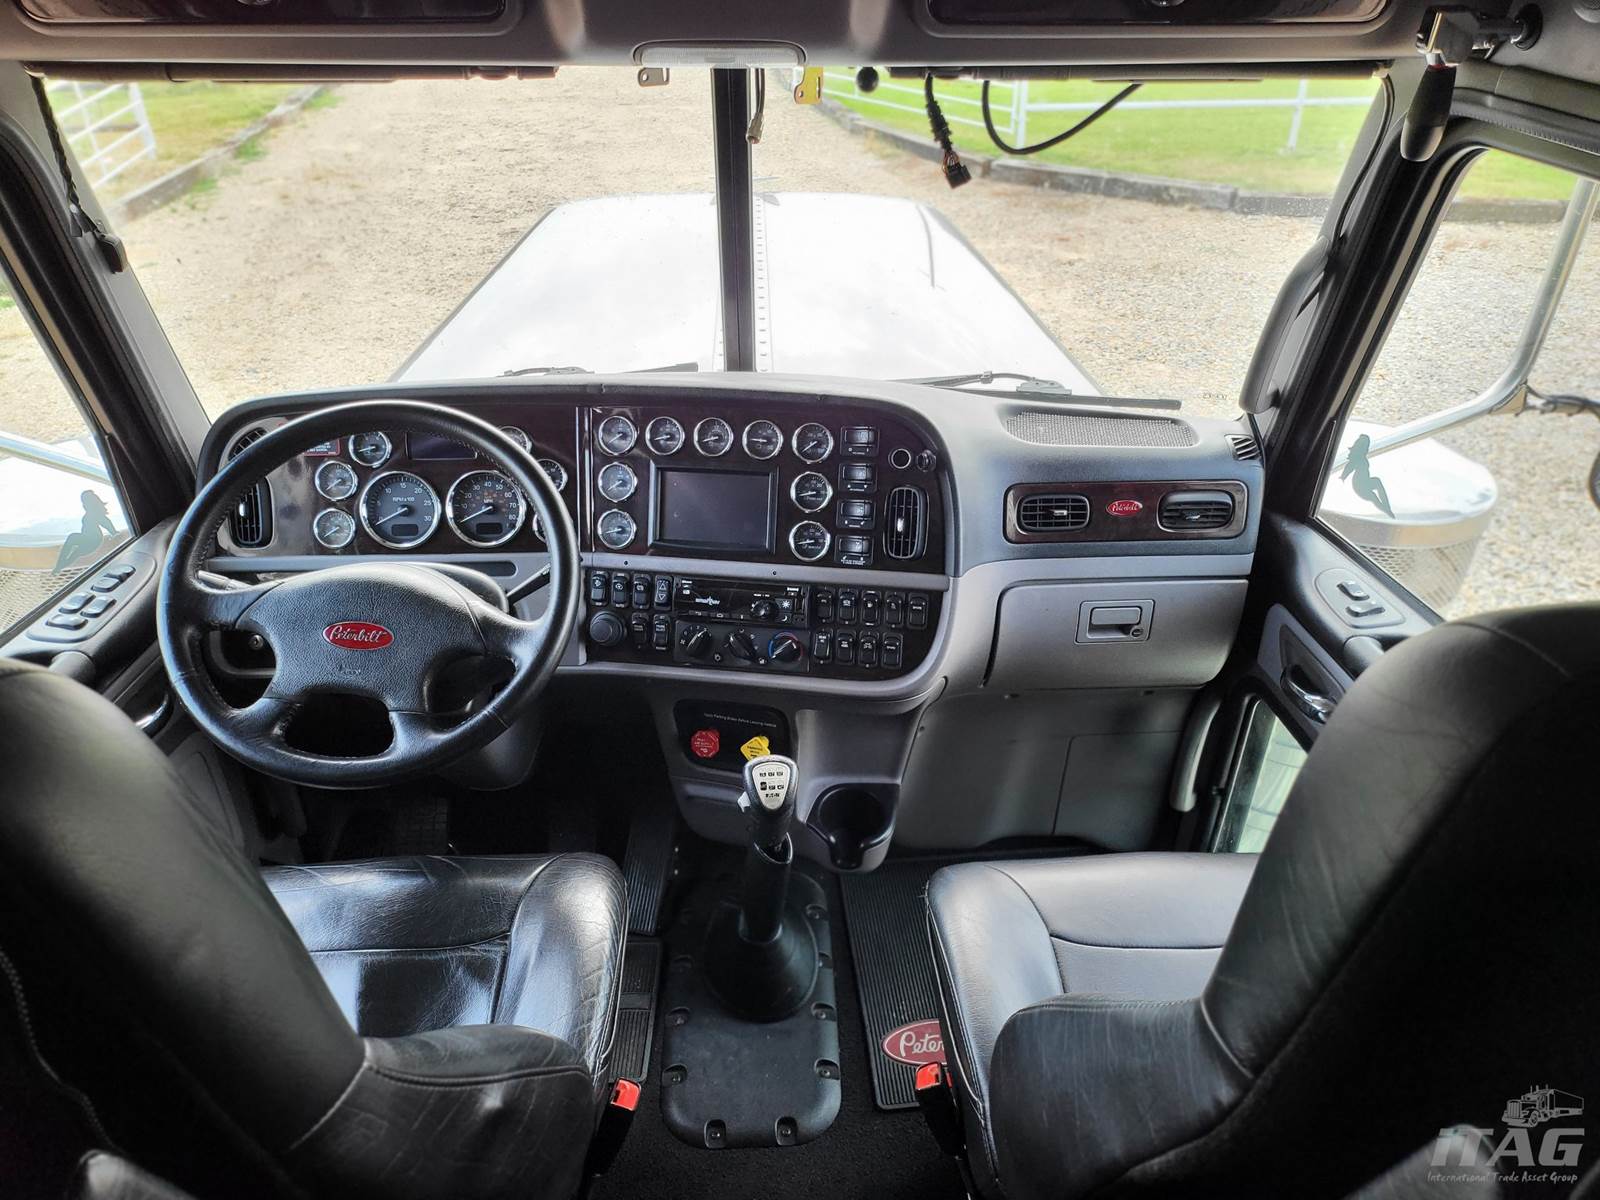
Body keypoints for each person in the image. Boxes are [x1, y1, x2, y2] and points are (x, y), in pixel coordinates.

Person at [54, 489, 119, 571]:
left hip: (92, 540)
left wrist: (113, 532)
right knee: (75, 553)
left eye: (84, 501)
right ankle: (59, 567)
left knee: (72, 538)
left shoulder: (94, 513)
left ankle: (59, 566)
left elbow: (105, 522)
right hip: (88, 539)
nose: (83, 504)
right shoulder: (91, 513)